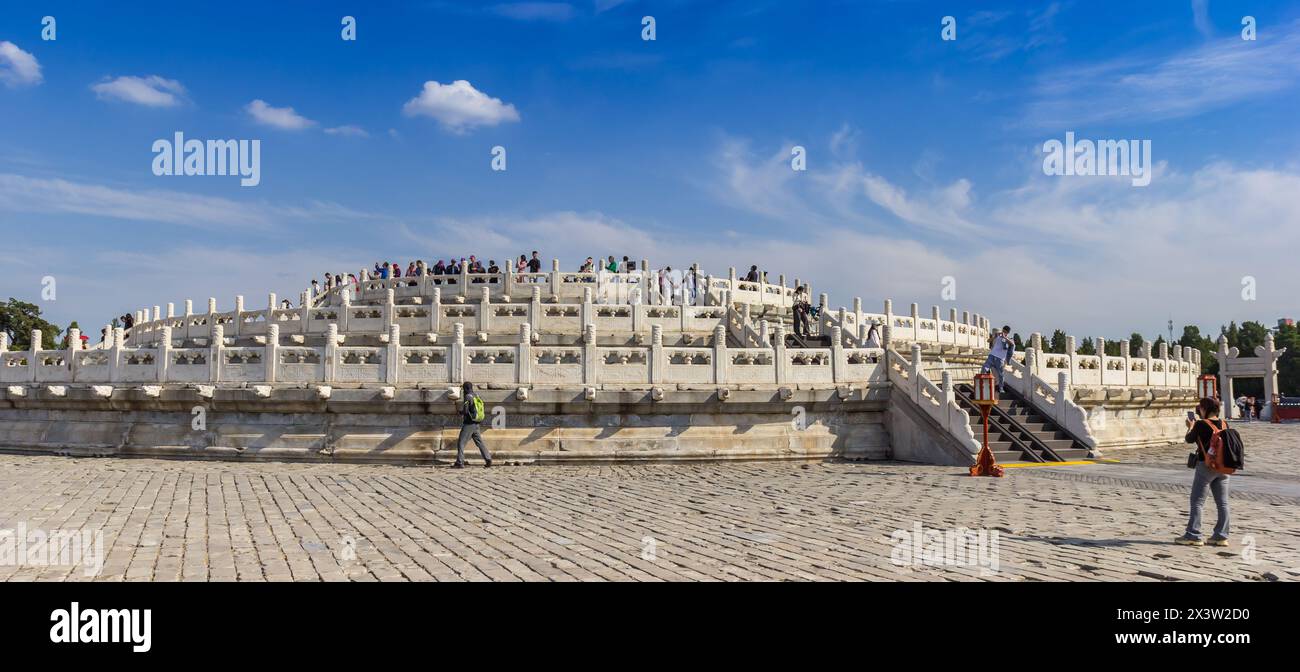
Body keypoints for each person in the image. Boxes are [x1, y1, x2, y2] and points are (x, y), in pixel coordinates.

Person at [1176, 396, 1231, 546]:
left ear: (1205, 409)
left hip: (1206, 466)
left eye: (1200, 408)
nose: (1199, 410)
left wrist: (1190, 426)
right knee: (1223, 503)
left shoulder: (1200, 424)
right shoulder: (1224, 423)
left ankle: (1193, 534)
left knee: (1197, 501)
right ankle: (1221, 536)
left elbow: (1189, 439)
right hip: (1223, 467)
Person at [454, 382, 492, 469]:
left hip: (469, 424)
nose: (463, 391)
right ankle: (488, 458)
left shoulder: (468, 396)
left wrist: (460, 412)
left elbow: (466, 411)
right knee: (479, 442)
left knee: (461, 442)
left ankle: (460, 462)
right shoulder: (476, 395)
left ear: (466, 388)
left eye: (464, 389)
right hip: (476, 423)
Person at [982, 326, 1015, 393]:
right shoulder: (998, 337)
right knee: (984, 368)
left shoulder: (1009, 339)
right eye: (1003, 331)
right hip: (992, 355)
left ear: (1007, 333)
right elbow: (988, 341)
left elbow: (1012, 344)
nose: (1003, 332)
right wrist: (995, 336)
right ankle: (983, 385)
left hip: (1000, 359)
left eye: (1005, 332)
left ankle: (1001, 388)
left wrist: (1005, 338)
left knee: (1001, 374)